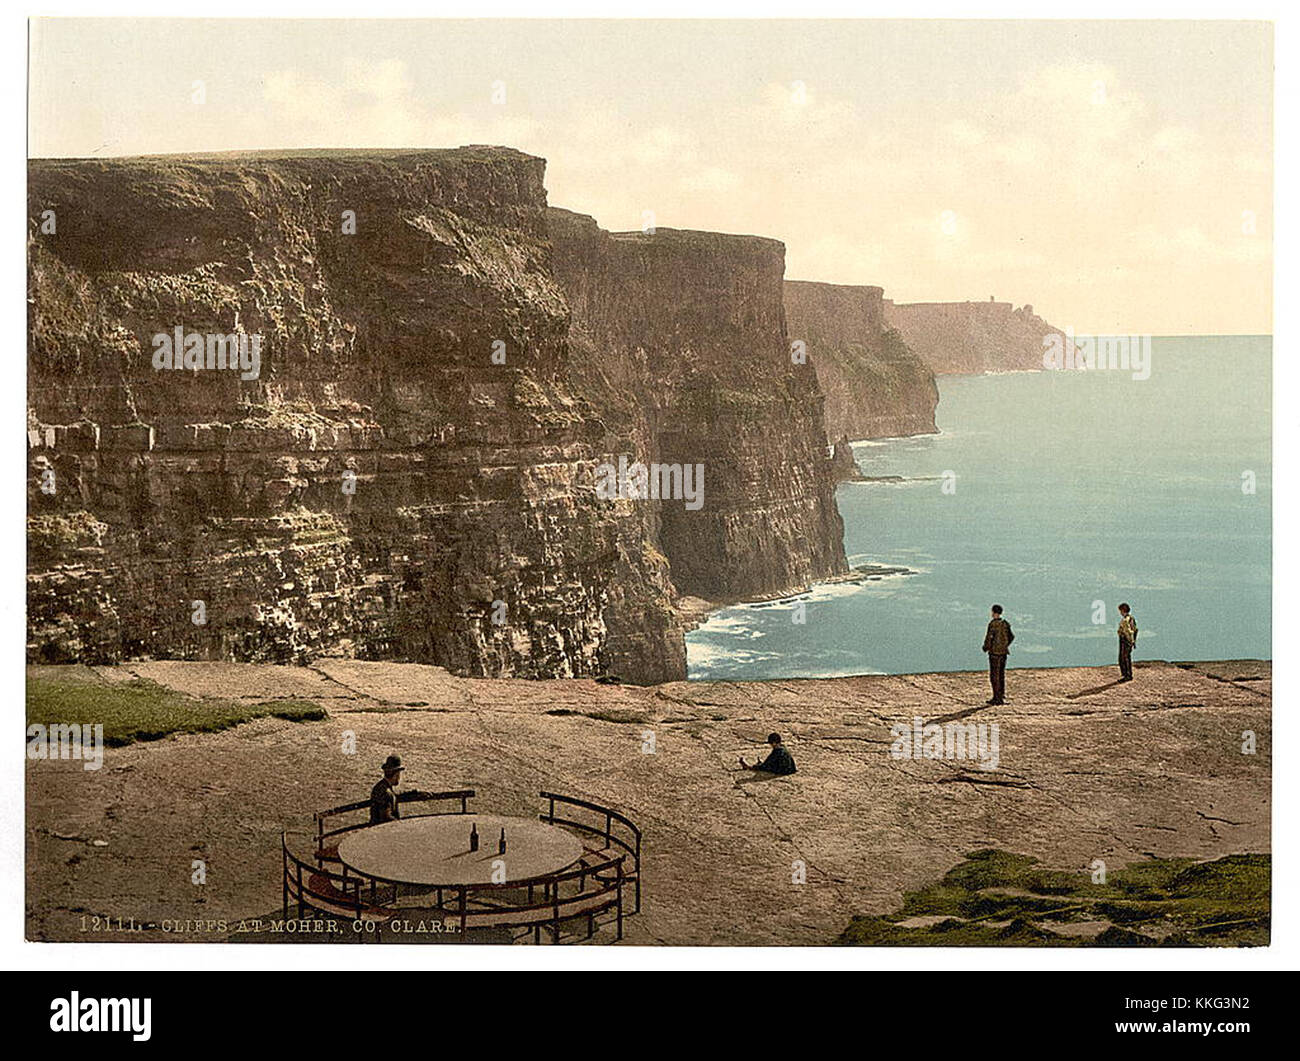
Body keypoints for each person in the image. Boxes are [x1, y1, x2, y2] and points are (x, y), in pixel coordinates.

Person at [981, 604, 1014, 705]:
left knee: (994, 676)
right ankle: (1001, 695)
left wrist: (986, 647)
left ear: (994, 613)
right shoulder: (1005, 624)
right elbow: (1011, 636)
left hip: (994, 653)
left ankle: (996, 697)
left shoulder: (993, 624)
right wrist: (1005, 645)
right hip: (1003, 652)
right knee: (1001, 675)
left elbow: (989, 638)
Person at [369, 754, 403, 824]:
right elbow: (386, 818)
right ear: (396, 774)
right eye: (399, 774)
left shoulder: (380, 786)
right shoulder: (386, 792)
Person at [1117, 603, 1138, 682]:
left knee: (1123, 658)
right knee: (1127, 657)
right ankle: (1128, 674)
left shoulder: (1125, 620)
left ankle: (1126, 675)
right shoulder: (1131, 618)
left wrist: (1130, 640)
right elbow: (1135, 630)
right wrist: (1133, 641)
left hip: (1125, 640)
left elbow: (1128, 631)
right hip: (1129, 640)